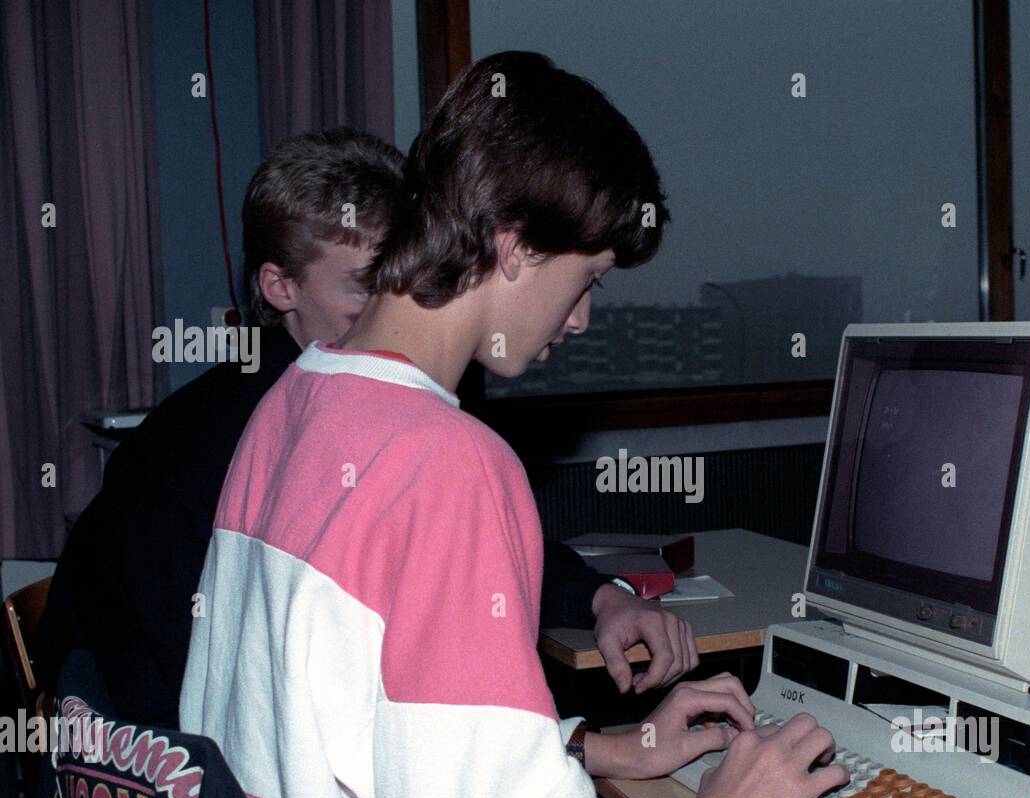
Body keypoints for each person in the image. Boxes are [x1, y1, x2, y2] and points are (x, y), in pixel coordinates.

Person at [179, 51, 847, 798]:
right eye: (589, 280)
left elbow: (357, 743)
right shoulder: (449, 464)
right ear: (515, 244)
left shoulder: (288, 407)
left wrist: (590, 747)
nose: (578, 321)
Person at [35, 127, 694, 732]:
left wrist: (604, 598)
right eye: (364, 287)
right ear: (279, 286)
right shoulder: (217, 447)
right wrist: (590, 753)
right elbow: (257, 726)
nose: (393, 307)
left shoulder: (348, 404)